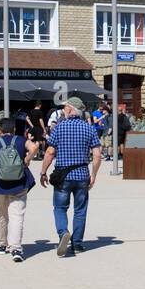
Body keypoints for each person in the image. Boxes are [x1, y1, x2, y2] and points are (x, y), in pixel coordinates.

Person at [39, 97, 101, 257]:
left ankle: (63, 233)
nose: (64, 110)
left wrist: (43, 172)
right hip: (82, 175)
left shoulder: (59, 127)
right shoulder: (89, 129)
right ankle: (77, 244)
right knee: (80, 210)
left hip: (63, 175)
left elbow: (50, 152)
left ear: (72, 109)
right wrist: (93, 175)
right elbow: (97, 154)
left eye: (66, 107)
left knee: (60, 208)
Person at [0, 118, 37, 263]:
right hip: (19, 183)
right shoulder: (21, 140)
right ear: (14, 129)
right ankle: (16, 249)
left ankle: (1, 245)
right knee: (17, 216)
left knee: (1, 215)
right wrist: (27, 160)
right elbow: (34, 148)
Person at [112, 102, 131, 174]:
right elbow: (128, 125)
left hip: (118, 132)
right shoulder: (124, 116)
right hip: (123, 132)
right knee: (121, 144)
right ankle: (122, 155)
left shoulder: (117, 117)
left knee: (117, 144)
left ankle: (117, 156)